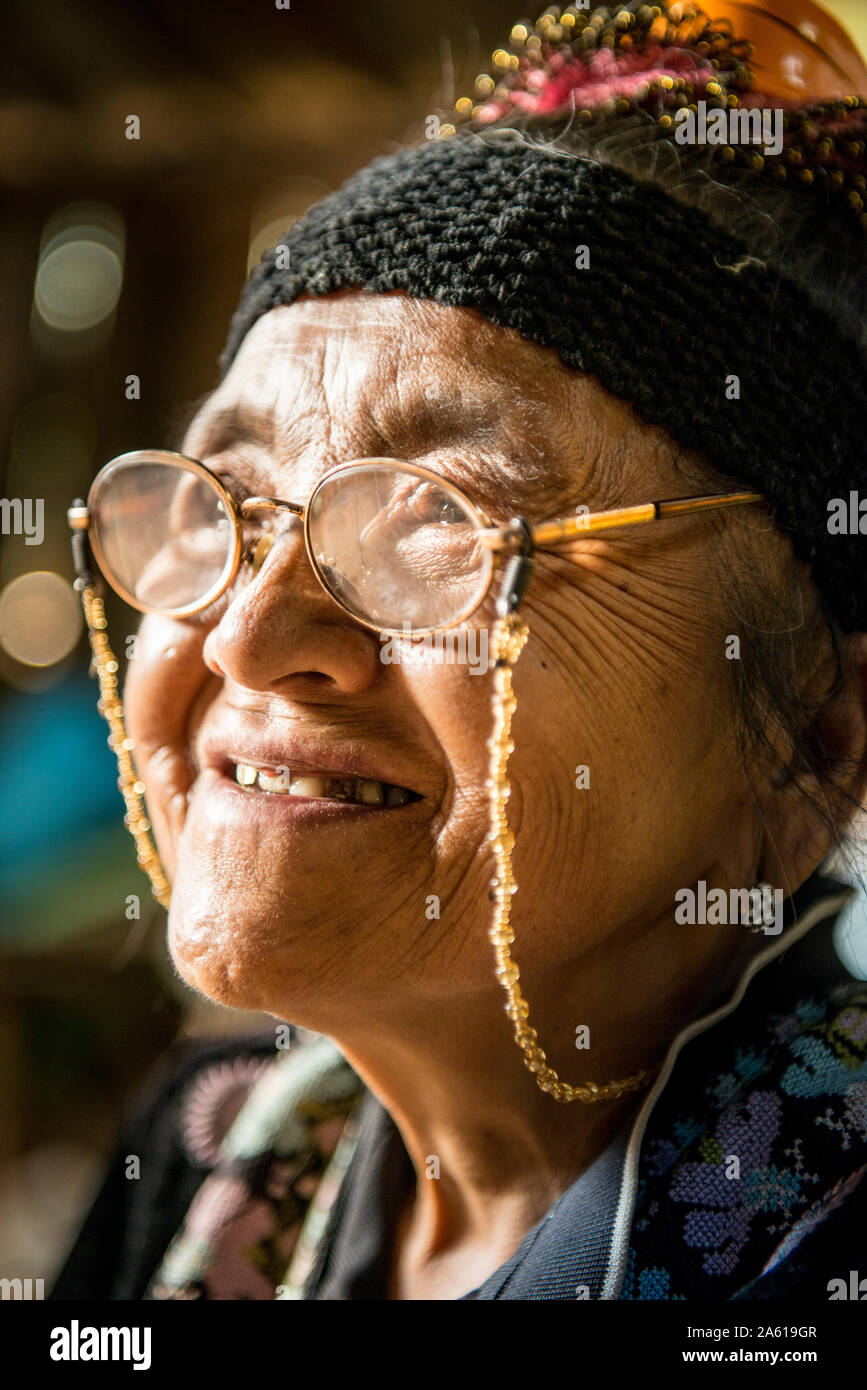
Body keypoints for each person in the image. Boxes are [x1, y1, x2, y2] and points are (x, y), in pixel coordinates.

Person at [54, 0, 867, 1301]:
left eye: (439, 521)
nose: (257, 636)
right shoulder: (220, 1144)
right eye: (227, 495)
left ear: (815, 732)